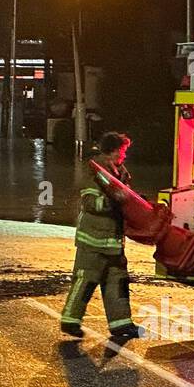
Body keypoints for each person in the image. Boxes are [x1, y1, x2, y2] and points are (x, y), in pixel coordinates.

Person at [61, 131, 137, 339]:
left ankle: (121, 324)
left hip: (112, 241)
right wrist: (113, 203)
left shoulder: (118, 172)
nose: (124, 156)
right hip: (93, 240)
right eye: (122, 151)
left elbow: (125, 197)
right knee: (85, 280)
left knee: (118, 282)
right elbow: (89, 201)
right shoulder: (94, 171)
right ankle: (70, 320)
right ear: (112, 151)